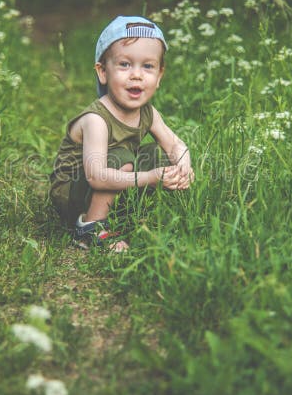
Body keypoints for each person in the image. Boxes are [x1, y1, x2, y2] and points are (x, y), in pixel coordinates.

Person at [49, 16, 194, 252]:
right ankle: (90, 228)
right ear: (103, 72)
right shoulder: (97, 120)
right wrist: (150, 177)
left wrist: (183, 167)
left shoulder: (148, 113)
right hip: (72, 191)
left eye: (148, 66)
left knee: (158, 154)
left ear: (159, 76)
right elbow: (96, 176)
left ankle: (133, 214)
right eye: (125, 64)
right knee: (122, 157)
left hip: (111, 178)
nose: (136, 75)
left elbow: (175, 144)